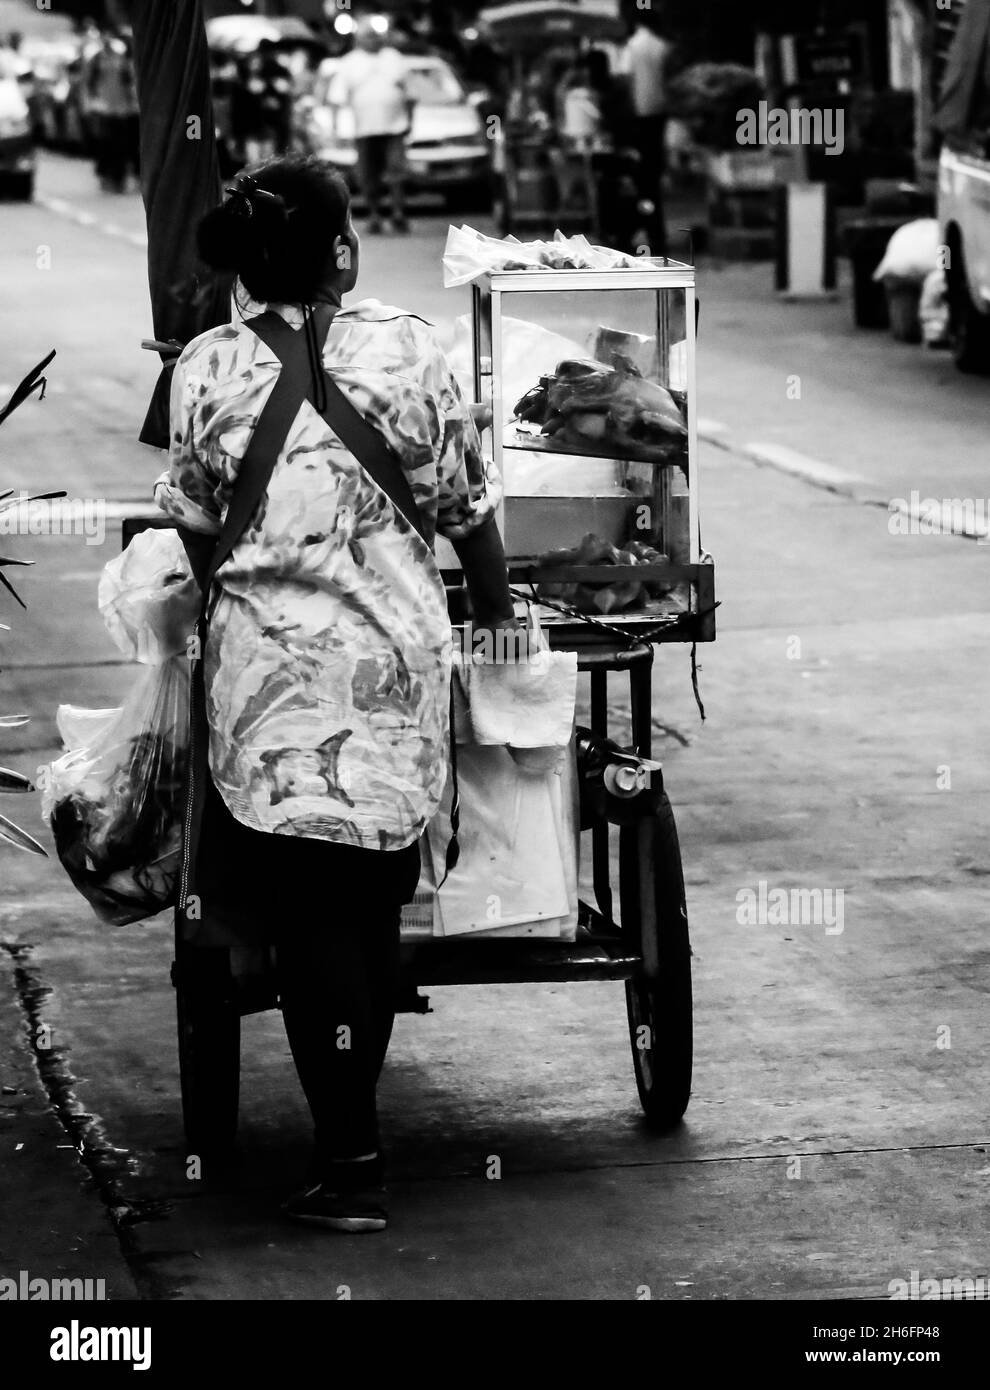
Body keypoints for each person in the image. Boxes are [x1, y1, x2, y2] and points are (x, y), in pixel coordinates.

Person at [155, 155, 516, 1232]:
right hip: (395, 678)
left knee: (313, 910)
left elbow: (194, 525)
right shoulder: (411, 347)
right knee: (361, 909)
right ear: (341, 252)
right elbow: (466, 505)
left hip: (269, 690)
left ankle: (353, 1160)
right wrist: (495, 610)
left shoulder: (205, 367)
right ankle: (351, 1144)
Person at [329, 20, 414, 234]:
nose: (374, 40)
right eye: (369, 36)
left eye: (376, 36)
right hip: (364, 130)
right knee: (368, 175)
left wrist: (411, 121)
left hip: (395, 127)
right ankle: (374, 214)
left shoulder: (394, 58)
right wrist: (336, 127)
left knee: (396, 173)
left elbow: (410, 93)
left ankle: (398, 213)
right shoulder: (349, 62)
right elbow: (337, 98)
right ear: (359, 39)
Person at [619, 12, 671, 253]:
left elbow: (627, 82)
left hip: (639, 119)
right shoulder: (663, 47)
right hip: (660, 117)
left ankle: (639, 230)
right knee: (652, 179)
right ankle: (655, 232)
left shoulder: (631, 47)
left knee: (641, 181)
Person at [82, 28, 139, 193]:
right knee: (105, 145)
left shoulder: (122, 59)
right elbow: (89, 83)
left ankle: (119, 178)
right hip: (103, 109)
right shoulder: (97, 59)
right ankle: (106, 176)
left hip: (122, 109)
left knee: (121, 145)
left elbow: (129, 83)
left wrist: (133, 103)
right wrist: (90, 103)